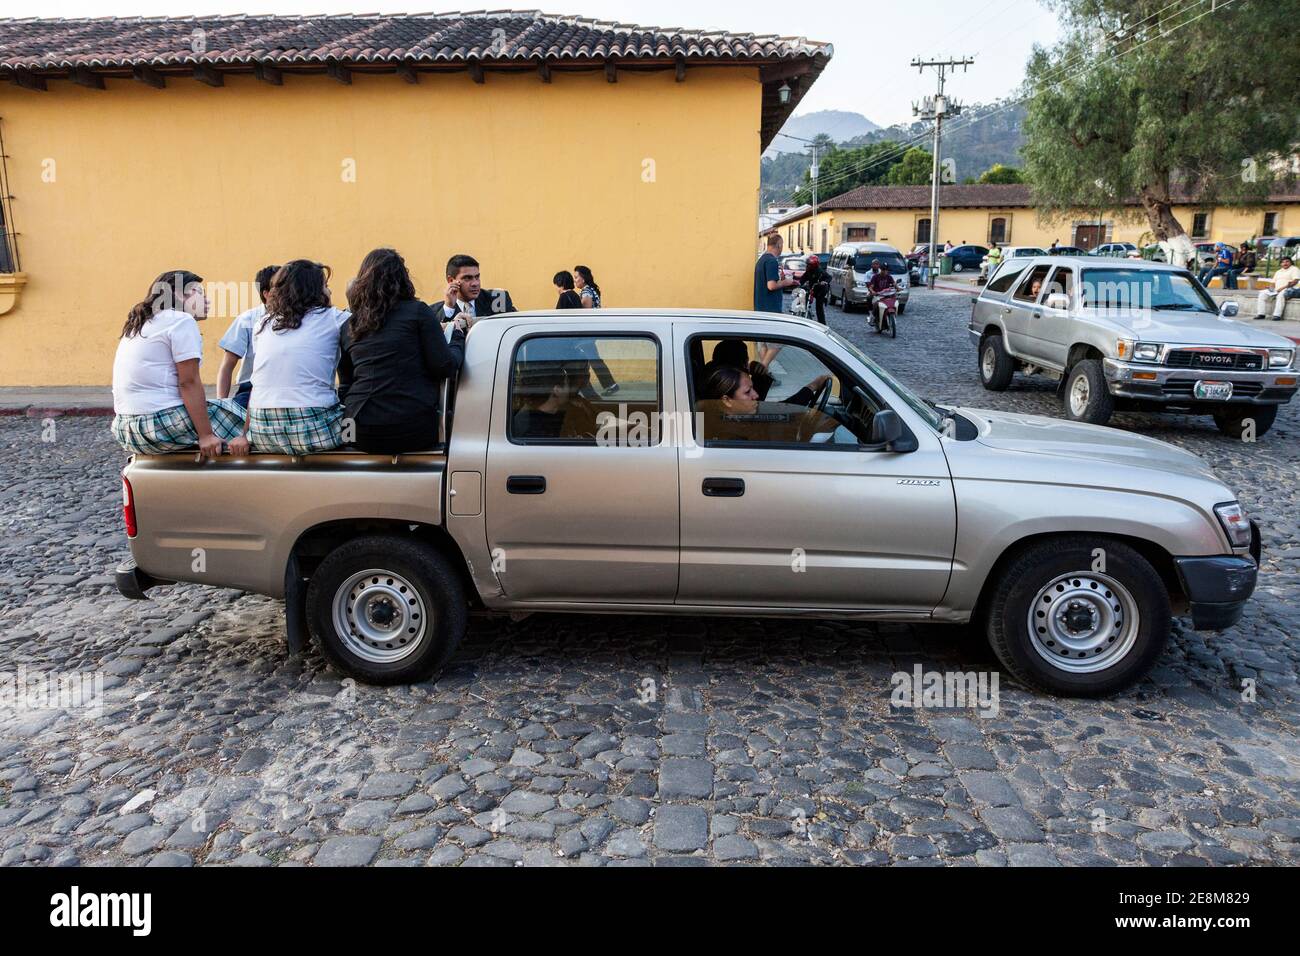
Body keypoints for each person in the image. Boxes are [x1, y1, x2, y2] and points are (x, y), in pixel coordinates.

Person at [337, 248, 467, 454]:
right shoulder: (418, 312)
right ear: (403, 278)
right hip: (411, 429)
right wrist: (457, 336)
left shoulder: (350, 325)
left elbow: (346, 384)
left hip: (358, 430)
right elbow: (445, 367)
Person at [111, 269, 247, 458]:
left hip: (125, 429)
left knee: (221, 407)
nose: (207, 300)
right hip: (159, 425)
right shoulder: (181, 320)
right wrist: (206, 436)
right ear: (177, 294)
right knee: (252, 425)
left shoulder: (141, 322)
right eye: (199, 293)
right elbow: (188, 382)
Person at [245, 259, 350, 454]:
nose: (329, 291)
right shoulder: (336, 319)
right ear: (314, 291)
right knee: (360, 420)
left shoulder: (262, 323)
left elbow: (257, 382)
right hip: (318, 431)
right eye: (325, 286)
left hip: (262, 433)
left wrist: (245, 434)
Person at [217, 264, 280, 409]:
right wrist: (222, 405)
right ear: (267, 294)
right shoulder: (248, 319)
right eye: (281, 287)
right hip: (251, 388)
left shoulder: (300, 318)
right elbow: (227, 365)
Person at [439, 254, 517, 325]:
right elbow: (439, 334)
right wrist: (449, 308)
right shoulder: (435, 311)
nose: (475, 283)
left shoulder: (497, 300)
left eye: (477, 277)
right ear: (451, 280)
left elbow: (512, 328)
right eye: (467, 278)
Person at [512, 361, 577, 439]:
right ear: (557, 390)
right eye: (567, 384)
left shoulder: (528, 417)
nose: (569, 389)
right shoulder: (535, 430)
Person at [754, 232, 798, 312]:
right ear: (779, 245)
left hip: (762, 308)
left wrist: (781, 279)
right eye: (782, 245)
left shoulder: (762, 259)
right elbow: (771, 286)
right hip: (770, 309)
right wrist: (786, 282)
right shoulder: (772, 261)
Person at [1255, 256, 1300, 321]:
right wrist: (1270, 288)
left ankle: (1277, 315)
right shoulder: (1279, 271)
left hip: (1291, 289)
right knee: (1262, 294)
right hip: (1277, 290)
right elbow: (1273, 282)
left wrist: (1281, 288)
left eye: (1287, 261)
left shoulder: (1294, 269)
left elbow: (1295, 281)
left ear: (1291, 262)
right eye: (1283, 262)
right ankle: (1261, 314)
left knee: (1281, 295)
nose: (1285, 263)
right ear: (1281, 264)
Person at [797, 254, 830, 324]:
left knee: (819, 307)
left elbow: (829, 277)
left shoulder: (820, 271)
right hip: (813, 288)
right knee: (804, 296)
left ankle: (822, 323)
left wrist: (824, 282)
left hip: (821, 290)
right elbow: (803, 278)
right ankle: (802, 313)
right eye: (807, 264)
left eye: (809, 265)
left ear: (813, 265)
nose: (807, 266)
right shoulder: (808, 271)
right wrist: (799, 284)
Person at [866, 258, 898, 328]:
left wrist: (898, 288)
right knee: (874, 303)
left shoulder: (889, 277)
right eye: (883, 269)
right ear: (880, 269)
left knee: (895, 300)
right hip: (878, 295)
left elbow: (894, 284)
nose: (885, 271)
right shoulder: (875, 277)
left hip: (887, 295)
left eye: (886, 270)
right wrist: (873, 291)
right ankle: (872, 316)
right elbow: (871, 287)